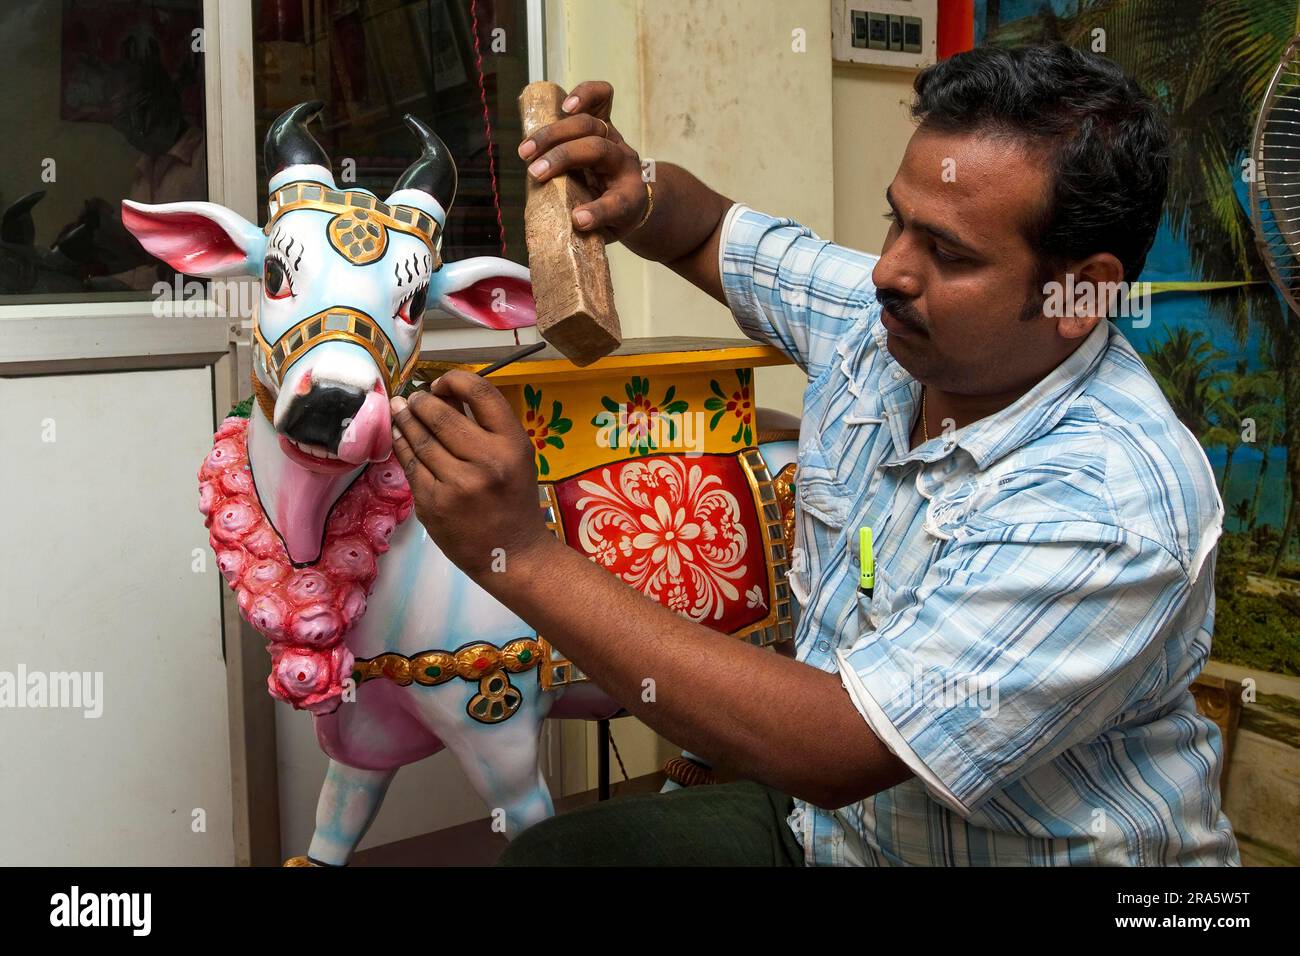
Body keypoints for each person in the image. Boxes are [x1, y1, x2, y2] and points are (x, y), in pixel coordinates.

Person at [389, 43, 1240, 866]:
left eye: (947, 251)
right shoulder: (894, 323)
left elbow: (837, 750)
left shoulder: (1110, 500)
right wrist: (631, 189)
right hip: (838, 836)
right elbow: (707, 231)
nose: (889, 271)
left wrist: (522, 555)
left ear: (1079, 292)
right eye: (895, 220)